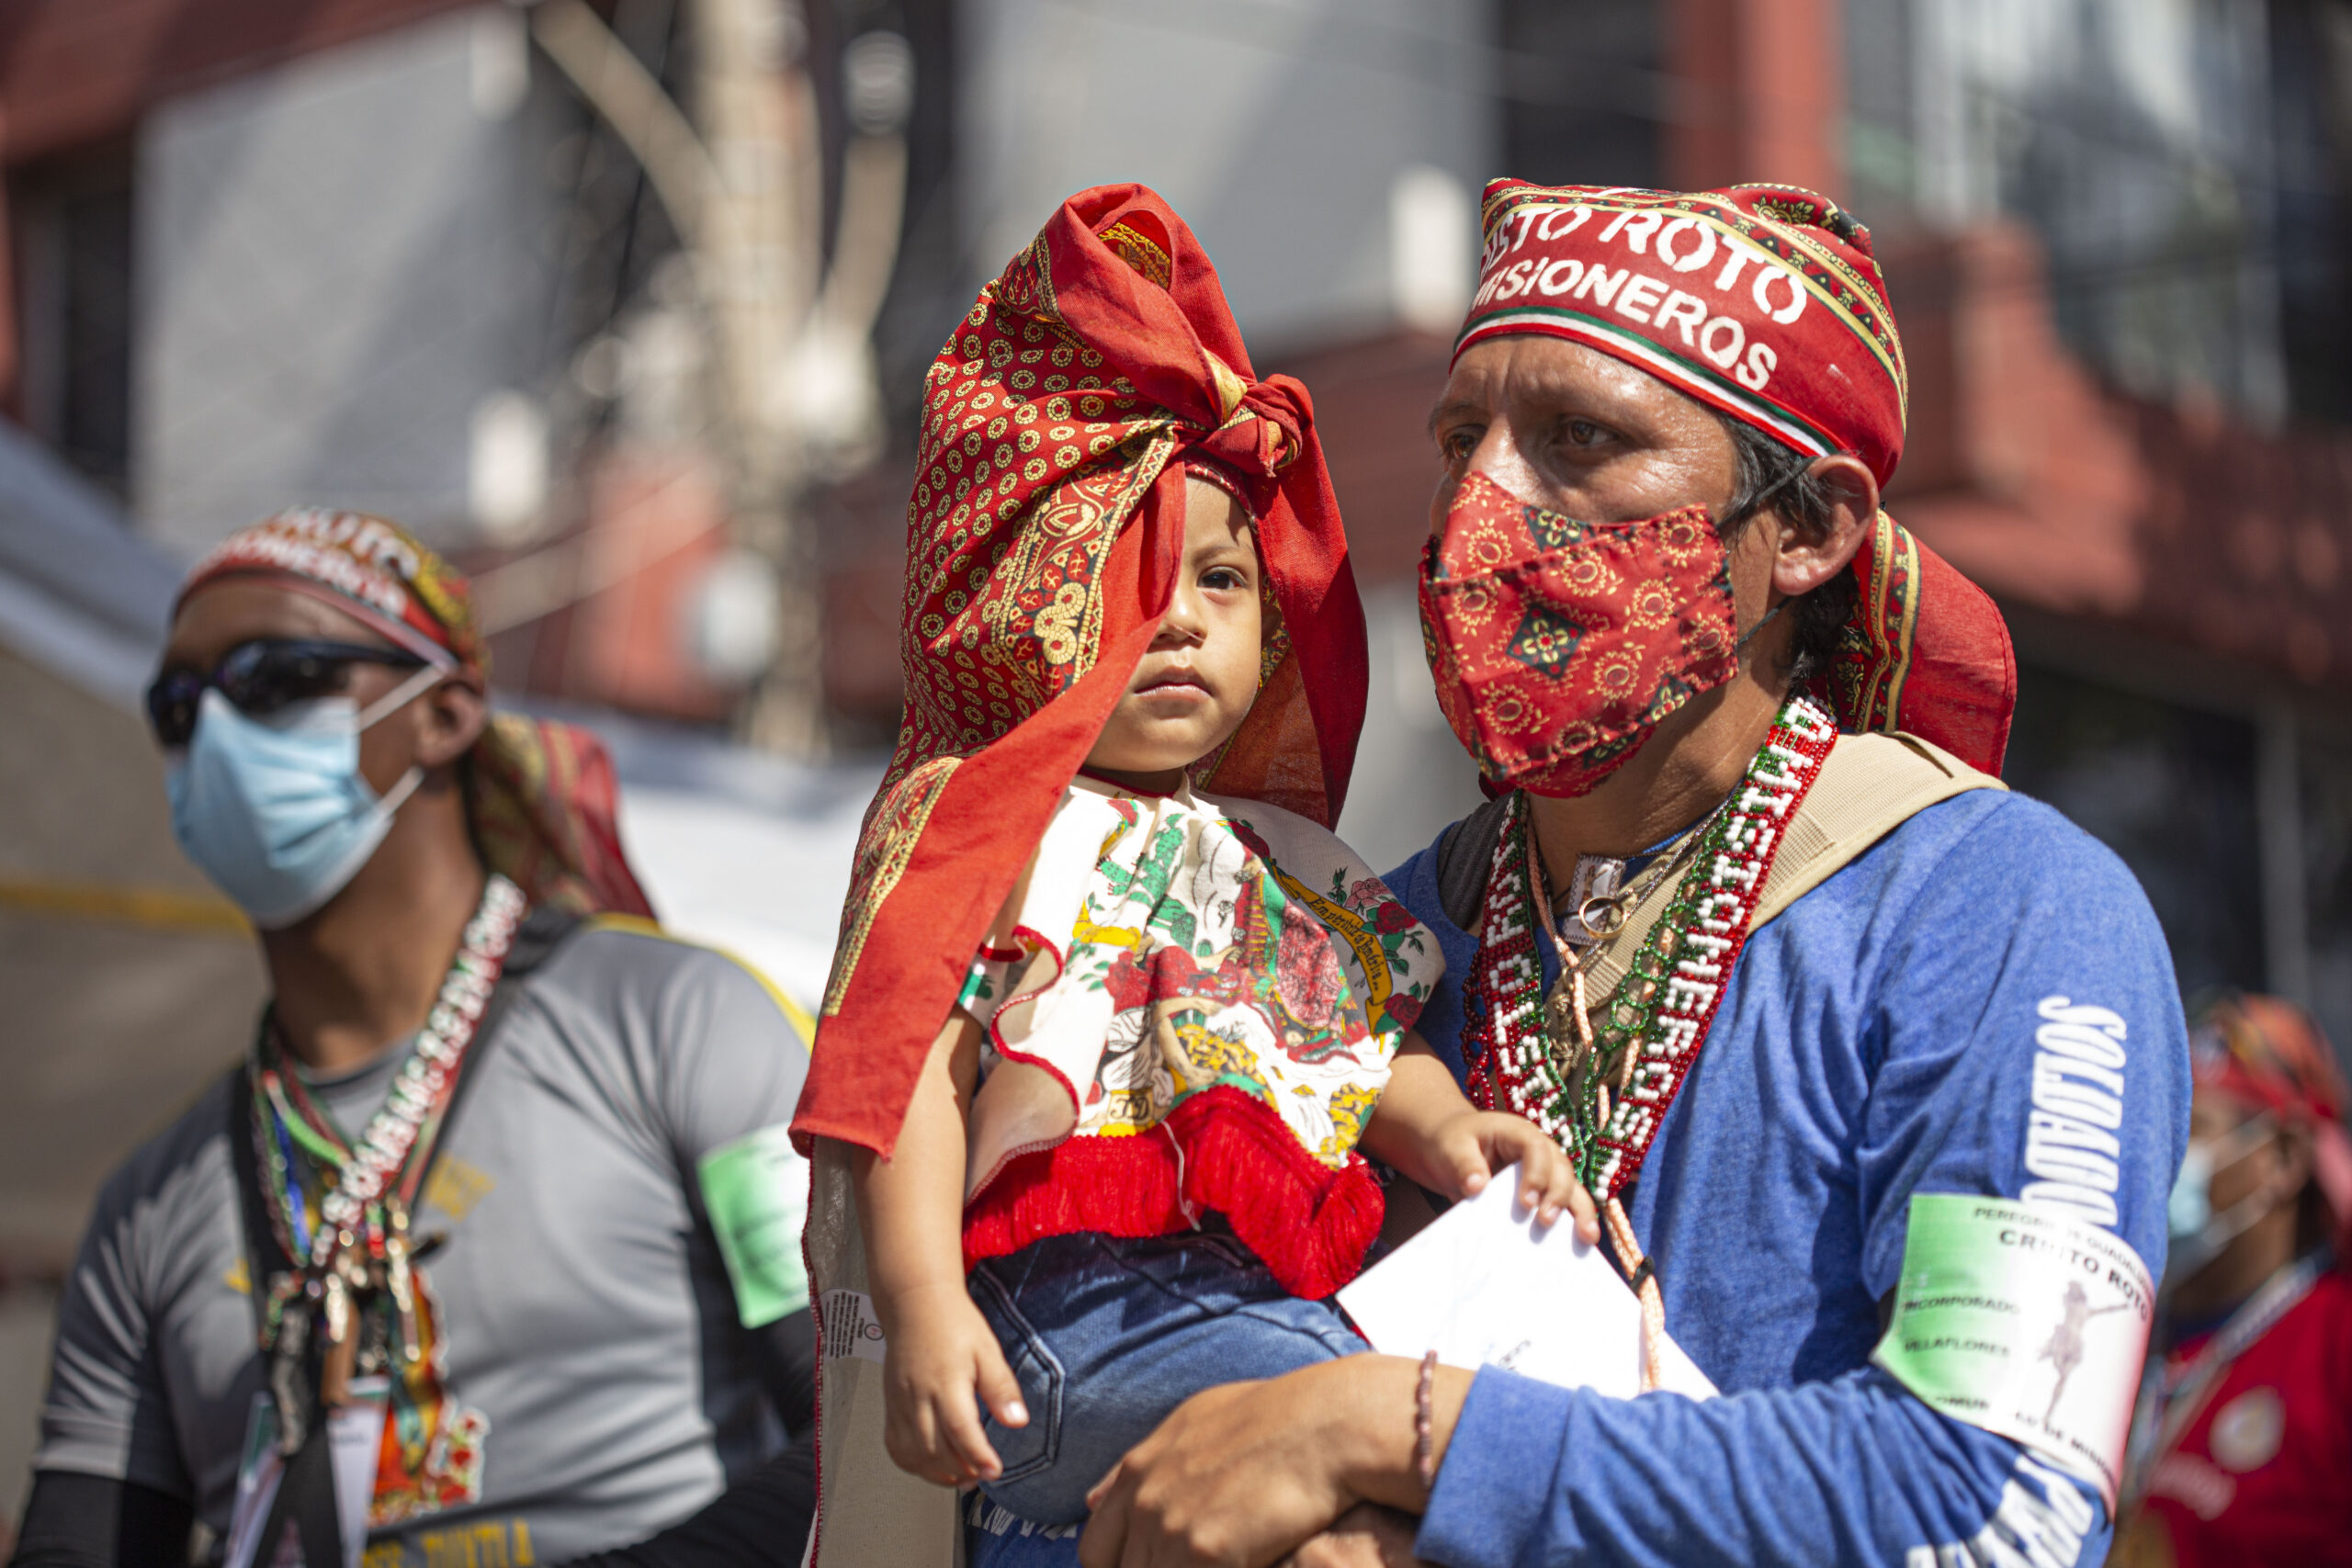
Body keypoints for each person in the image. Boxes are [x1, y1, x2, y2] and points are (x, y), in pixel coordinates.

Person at [1076, 180, 2192, 1568]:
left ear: (1807, 529)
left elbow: (2000, 1498)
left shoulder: (2004, 910)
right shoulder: (1363, 938)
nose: (1482, 506)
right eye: (1460, 437)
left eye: (1580, 439)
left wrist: (1388, 1430)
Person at [809, 184, 1583, 1551]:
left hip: (1236, 1309)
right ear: (1033, 603)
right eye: (1130, 578)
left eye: (1223, 581)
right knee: (1412, 1420)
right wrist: (923, 1302)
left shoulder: (1292, 863)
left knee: (1422, 1423)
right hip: (1067, 1319)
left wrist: (1449, 1125)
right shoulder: (989, 828)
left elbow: (1354, 1045)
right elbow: (912, 1079)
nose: (1178, 621)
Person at [11, 511, 819, 1567]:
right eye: (176, 704)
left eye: (273, 677)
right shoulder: (148, 1206)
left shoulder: (677, 1023)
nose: (213, 733)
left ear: (441, 714)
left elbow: (871, 1411)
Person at [2110, 993, 2352, 1567]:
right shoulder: (2120, 1330)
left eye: (2189, 1129)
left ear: (2284, 1159)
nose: (2159, 1159)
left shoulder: (2337, 1343)